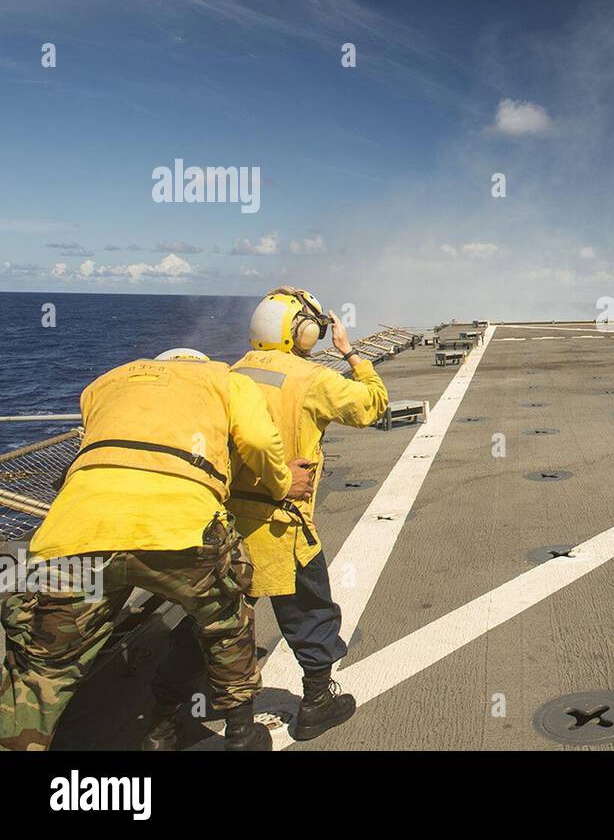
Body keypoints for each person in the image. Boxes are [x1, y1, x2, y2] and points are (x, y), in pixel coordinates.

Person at [0, 348, 312, 751]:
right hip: (182, 532)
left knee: (41, 667)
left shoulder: (105, 382)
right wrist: (282, 482)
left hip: (73, 536)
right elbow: (256, 440)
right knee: (225, 622)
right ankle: (241, 734)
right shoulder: (226, 379)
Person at [142, 289, 387, 748]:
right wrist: (351, 353)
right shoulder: (312, 378)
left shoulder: (228, 373)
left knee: (209, 621)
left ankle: (162, 722)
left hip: (222, 526)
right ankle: (316, 703)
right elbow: (374, 405)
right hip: (282, 525)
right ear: (304, 331)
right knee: (309, 613)